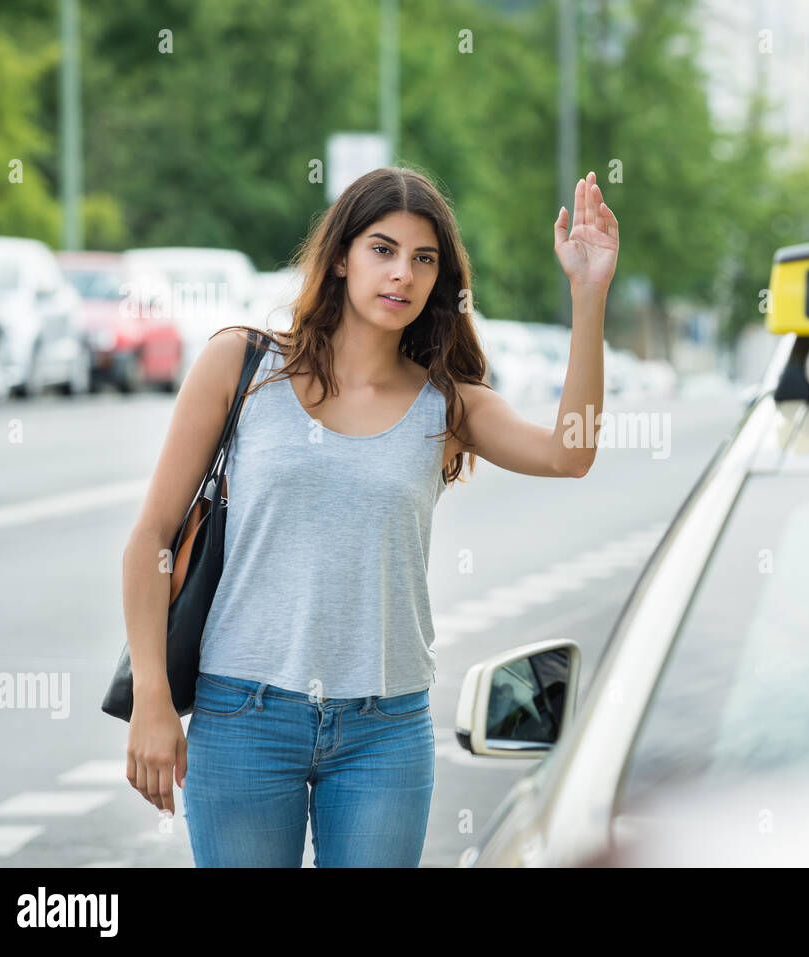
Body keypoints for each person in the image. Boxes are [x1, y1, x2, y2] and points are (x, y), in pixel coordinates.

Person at [120, 165, 619, 866]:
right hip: (243, 718)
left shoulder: (447, 402)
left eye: (424, 259)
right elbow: (151, 539)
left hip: (383, 731)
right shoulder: (242, 367)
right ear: (342, 257)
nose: (402, 275)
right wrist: (152, 697)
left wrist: (588, 296)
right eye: (383, 249)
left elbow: (571, 453)